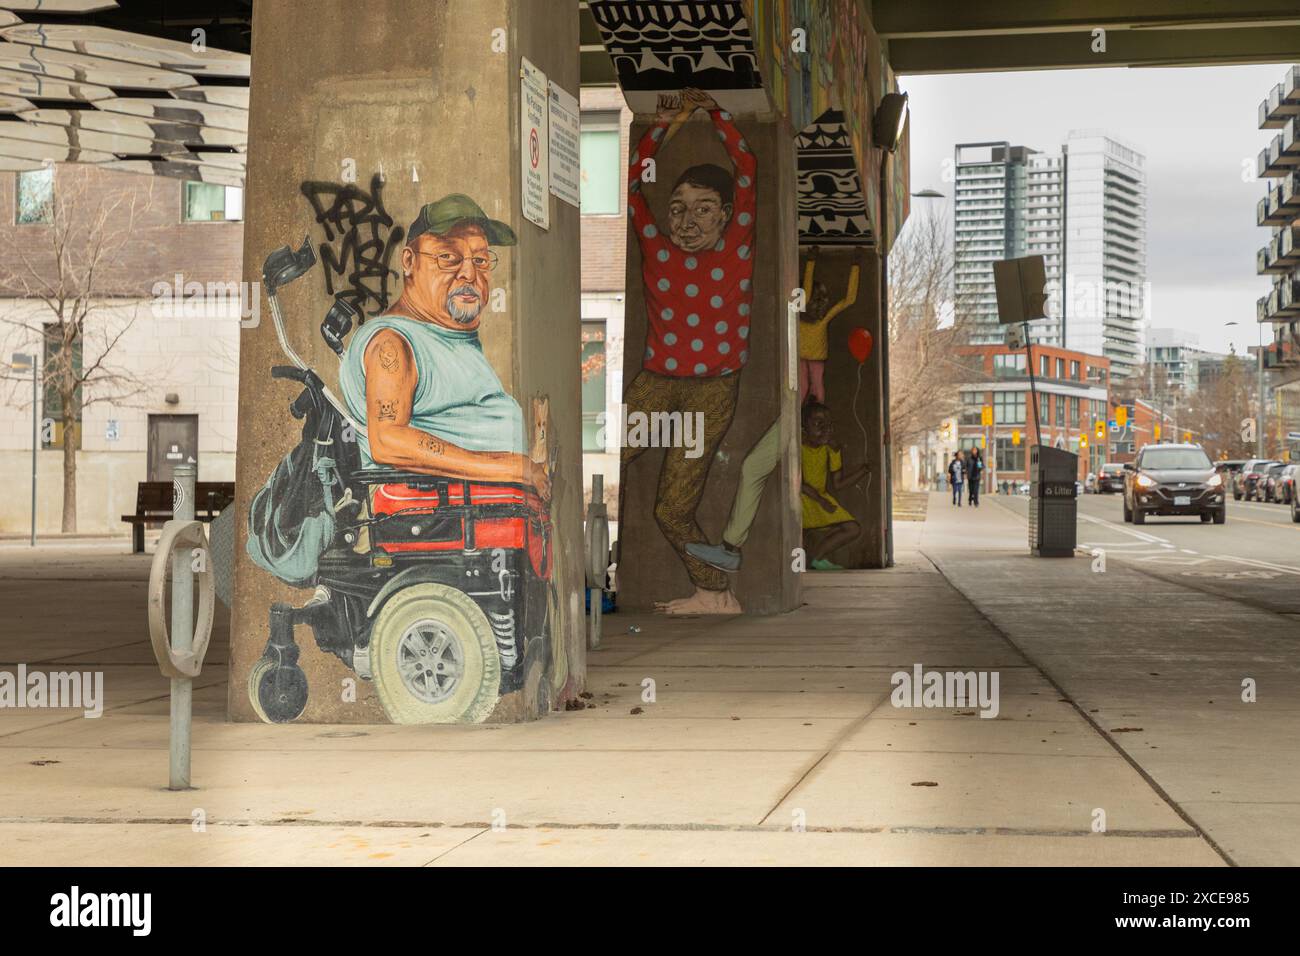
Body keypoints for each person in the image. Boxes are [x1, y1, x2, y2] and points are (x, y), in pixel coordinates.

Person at [621, 86, 757, 615]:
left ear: (725, 216)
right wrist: (663, 125)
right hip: (656, 383)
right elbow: (635, 186)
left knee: (672, 507)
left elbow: (746, 170)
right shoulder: (655, 244)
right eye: (677, 209)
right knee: (611, 460)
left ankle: (715, 594)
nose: (687, 221)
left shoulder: (737, 246)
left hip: (712, 390)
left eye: (703, 209)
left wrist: (716, 114)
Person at [339, 193, 549, 498]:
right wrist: (509, 468)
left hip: (484, 528)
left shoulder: (448, 336)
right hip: (435, 530)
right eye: (448, 257)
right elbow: (387, 441)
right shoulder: (393, 343)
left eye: (480, 260)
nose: (469, 273)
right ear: (409, 261)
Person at [800, 402, 868, 570]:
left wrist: (863, 471)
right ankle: (800, 565)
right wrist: (821, 501)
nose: (825, 429)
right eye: (817, 424)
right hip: (803, 498)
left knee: (852, 528)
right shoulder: (797, 447)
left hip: (820, 497)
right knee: (799, 533)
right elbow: (798, 483)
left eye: (828, 425)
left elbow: (838, 483)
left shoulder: (830, 449)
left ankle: (817, 558)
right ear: (803, 427)